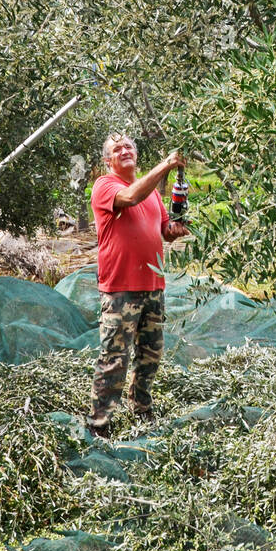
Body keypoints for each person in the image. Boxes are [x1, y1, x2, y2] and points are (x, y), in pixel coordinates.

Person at [89, 133, 188, 436]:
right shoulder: (106, 186)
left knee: (150, 356)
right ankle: (99, 424)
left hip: (153, 286)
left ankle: (141, 410)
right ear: (108, 161)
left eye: (128, 146)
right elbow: (130, 197)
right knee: (115, 358)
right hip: (121, 289)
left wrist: (178, 226)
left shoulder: (154, 195)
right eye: (117, 149)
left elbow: (164, 231)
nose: (124, 151)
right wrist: (167, 165)